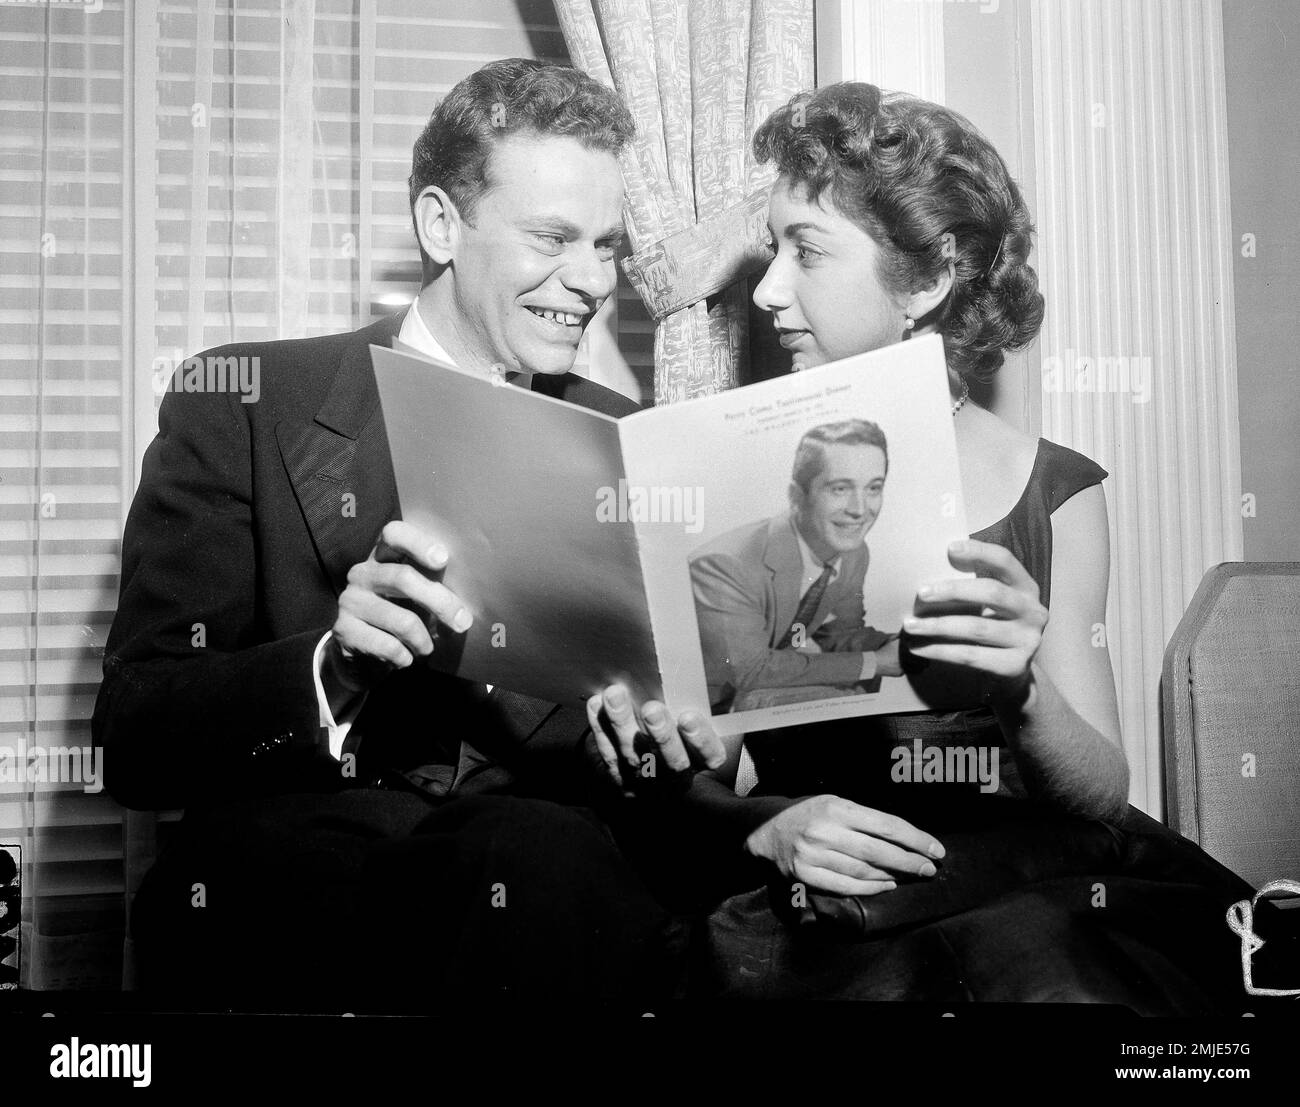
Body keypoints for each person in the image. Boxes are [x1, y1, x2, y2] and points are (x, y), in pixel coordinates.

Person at [93, 58, 722, 1011]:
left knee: (552, 870)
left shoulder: (629, 441)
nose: (591, 281)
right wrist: (332, 663)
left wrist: (644, 741)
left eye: (607, 245)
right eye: (553, 237)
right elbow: (136, 740)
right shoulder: (244, 401)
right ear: (440, 225)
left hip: (547, 890)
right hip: (290, 881)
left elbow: (648, 738)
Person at [653, 81, 1295, 1009]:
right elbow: (718, 764)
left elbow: (1102, 789)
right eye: (772, 248)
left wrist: (1022, 689)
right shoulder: (727, 482)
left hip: (1039, 878)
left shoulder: (1055, 491)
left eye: (808, 251)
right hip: (844, 899)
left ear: (927, 278)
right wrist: (741, 791)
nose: (767, 290)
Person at [688, 419, 900, 711]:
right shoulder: (725, 564)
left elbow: (836, 634)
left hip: (761, 705)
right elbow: (749, 671)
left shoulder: (853, 553)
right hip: (707, 710)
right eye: (839, 489)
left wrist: (901, 643)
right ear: (796, 496)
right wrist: (877, 662)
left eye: (874, 488)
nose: (860, 510)